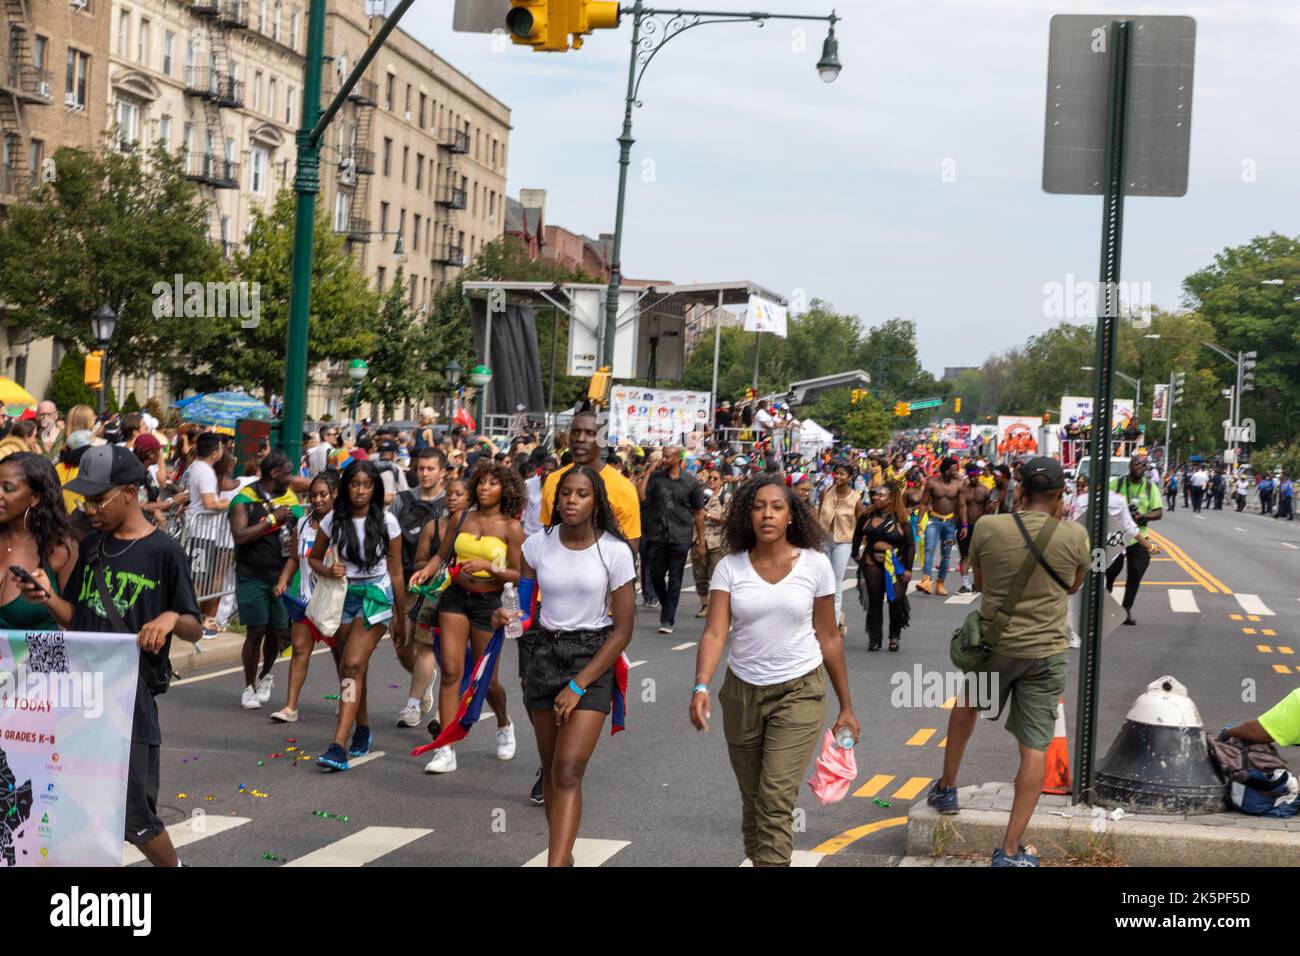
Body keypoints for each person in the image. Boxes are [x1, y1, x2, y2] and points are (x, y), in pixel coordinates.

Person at [20, 445, 203, 866]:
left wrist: (171, 618)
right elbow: (79, 619)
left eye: (98, 499)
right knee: (72, 799)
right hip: (82, 694)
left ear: (130, 493)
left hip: (129, 699)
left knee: (133, 813)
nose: (89, 508)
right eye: (85, 499)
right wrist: (47, 598)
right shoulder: (92, 547)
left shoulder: (164, 552)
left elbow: (194, 623)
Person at [926, 457, 1090, 867]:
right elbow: (1073, 586)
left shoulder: (988, 527)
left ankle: (947, 788)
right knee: (1034, 746)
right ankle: (1010, 851)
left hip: (994, 646)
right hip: (1044, 654)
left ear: (1018, 492)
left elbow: (977, 580)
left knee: (967, 704)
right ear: (1059, 497)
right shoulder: (1075, 535)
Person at [689, 475, 859, 867]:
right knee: (754, 801)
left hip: (799, 692)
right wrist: (700, 686)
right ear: (747, 516)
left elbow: (829, 636)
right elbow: (715, 632)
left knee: (775, 798)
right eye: (759, 506)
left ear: (791, 516)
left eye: (777, 507)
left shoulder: (815, 566)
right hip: (741, 693)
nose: (767, 513)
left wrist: (846, 707)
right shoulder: (730, 568)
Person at [493, 465, 636, 866]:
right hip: (544, 655)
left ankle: (555, 863)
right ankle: (564, 856)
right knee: (553, 770)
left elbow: (623, 630)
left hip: (593, 656)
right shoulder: (538, 545)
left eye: (581, 494)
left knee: (570, 769)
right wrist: (504, 617)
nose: (571, 500)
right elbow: (522, 610)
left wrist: (578, 686)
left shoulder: (614, 551)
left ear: (596, 502)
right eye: (565, 493)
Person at [411, 461, 525, 774]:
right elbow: (441, 555)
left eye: (493, 483)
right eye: (481, 482)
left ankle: (503, 722)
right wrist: (426, 570)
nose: (485, 488)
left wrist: (490, 567)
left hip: (490, 605)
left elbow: (519, 572)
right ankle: (446, 747)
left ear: (505, 489)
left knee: (487, 682)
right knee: (450, 671)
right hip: (455, 599)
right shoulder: (461, 518)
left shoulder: (510, 527)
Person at [308, 460, 406, 771]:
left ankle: (338, 745)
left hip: (376, 597)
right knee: (351, 670)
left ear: (375, 488)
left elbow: (397, 571)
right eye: (354, 484)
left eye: (367, 485)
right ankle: (361, 728)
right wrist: (328, 567)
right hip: (343, 596)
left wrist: (401, 616)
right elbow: (313, 559)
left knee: (350, 664)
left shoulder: (388, 522)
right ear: (345, 488)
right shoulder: (333, 520)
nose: (361, 491)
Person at [271, 470, 343, 723]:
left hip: (334, 604)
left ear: (335, 495)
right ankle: (290, 707)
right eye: (313, 495)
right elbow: (293, 558)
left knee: (346, 660)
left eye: (324, 494)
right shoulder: (302, 523)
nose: (318, 499)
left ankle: (349, 702)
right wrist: (283, 581)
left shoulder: (342, 525)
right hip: (305, 600)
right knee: (300, 649)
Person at [229, 451, 297, 710]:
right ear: (274, 474)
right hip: (251, 575)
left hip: (280, 577)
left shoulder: (290, 498)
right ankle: (249, 686)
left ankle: (266, 673)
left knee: (277, 631)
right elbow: (240, 535)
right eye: (287, 473)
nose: (291, 478)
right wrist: (272, 519)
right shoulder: (244, 499)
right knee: (255, 630)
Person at [389, 447, 448, 726]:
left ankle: (413, 704)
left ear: (442, 472)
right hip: (402, 582)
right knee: (402, 646)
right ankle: (425, 680)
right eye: (420, 468)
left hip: (436, 588)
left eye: (430, 468)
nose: (424, 473)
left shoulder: (450, 503)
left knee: (426, 647)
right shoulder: (401, 501)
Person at [0, 453, 79, 630]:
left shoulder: (61, 547)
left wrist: (48, 596)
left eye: (8, 488)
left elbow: (76, 620)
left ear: (35, 498)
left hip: (38, 656)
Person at [637, 446, 707, 636]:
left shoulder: (691, 482)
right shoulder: (656, 478)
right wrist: (649, 471)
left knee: (675, 578)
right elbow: (641, 496)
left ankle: (667, 619)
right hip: (657, 534)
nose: (664, 459)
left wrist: (701, 540)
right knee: (656, 575)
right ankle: (667, 602)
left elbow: (699, 513)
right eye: (664, 456)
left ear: (677, 458)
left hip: (681, 536)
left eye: (668, 457)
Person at [852, 482, 914, 651]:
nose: (876, 497)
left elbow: (910, 545)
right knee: (875, 600)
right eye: (876, 495)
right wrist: (855, 553)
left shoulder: (901, 520)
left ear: (891, 498)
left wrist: (908, 569)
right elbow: (858, 534)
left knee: (896, 599)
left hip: (896, 565)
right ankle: (875, 638)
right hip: (871, 562)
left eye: (881, 495)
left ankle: (894, 636)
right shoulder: (867, 515)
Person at [1106, 453, 1164, 627]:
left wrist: (1143, 516)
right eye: (1137, 464)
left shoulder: (1150, 487)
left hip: (1138, 536)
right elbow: (1105, 502)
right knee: (1109, 572)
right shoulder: (1117, 483)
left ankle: (1125, 610)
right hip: (1115, 535)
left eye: (1143, 465)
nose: (1140, 467)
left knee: (1136, 572)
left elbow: (1159, 512)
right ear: (1130, 465)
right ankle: (1105, 608)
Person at [814, 461, 863, 634]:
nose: (838, 477)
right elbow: (820, 514)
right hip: (824, 539)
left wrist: (858, 545)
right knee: (821, 580)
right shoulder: (825, 492)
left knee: (835, 582)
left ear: (849, 477)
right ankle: (820, 619)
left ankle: (832, 624)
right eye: (836, 473)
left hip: (844, 541)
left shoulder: (855, 499)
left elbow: (861, 523)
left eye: (842, 474)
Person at [917, 457, 968, 596]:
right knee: (929, 549)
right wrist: (919, 522)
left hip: (950, 524)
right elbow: (923, 502)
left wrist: (964, 525)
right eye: (953, 469)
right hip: (933, 521)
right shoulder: (932, 483)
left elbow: (962, 506)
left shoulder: (958, 485)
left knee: (946, 555)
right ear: (946, 471)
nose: (956, 471)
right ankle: (926, 579)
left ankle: (940, 583)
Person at [691, 467, 728, 619]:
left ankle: (716, 607)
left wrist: (709, 515)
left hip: (717, 542)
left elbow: (728, 518)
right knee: (700, 576)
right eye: (709, 478)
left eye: (715, 478)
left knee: (717, 576)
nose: (711, 481)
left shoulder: (726, 497)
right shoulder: (700, 495)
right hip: (699, 540)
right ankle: (704, 605)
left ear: (721, 481)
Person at [958, 463, 992, 593]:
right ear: (968, 476)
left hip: (981, 526)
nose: (973, 478)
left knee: (980, 557)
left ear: (979, 475)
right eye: (971, 476)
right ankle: (965, 585)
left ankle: (977, 583)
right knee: (964, 555)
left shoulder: (985, 490)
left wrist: (990, 508)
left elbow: (990, 508)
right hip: (966, 525)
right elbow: (962, 507)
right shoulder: (963, 490)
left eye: (975, 476)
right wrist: (964, 525)